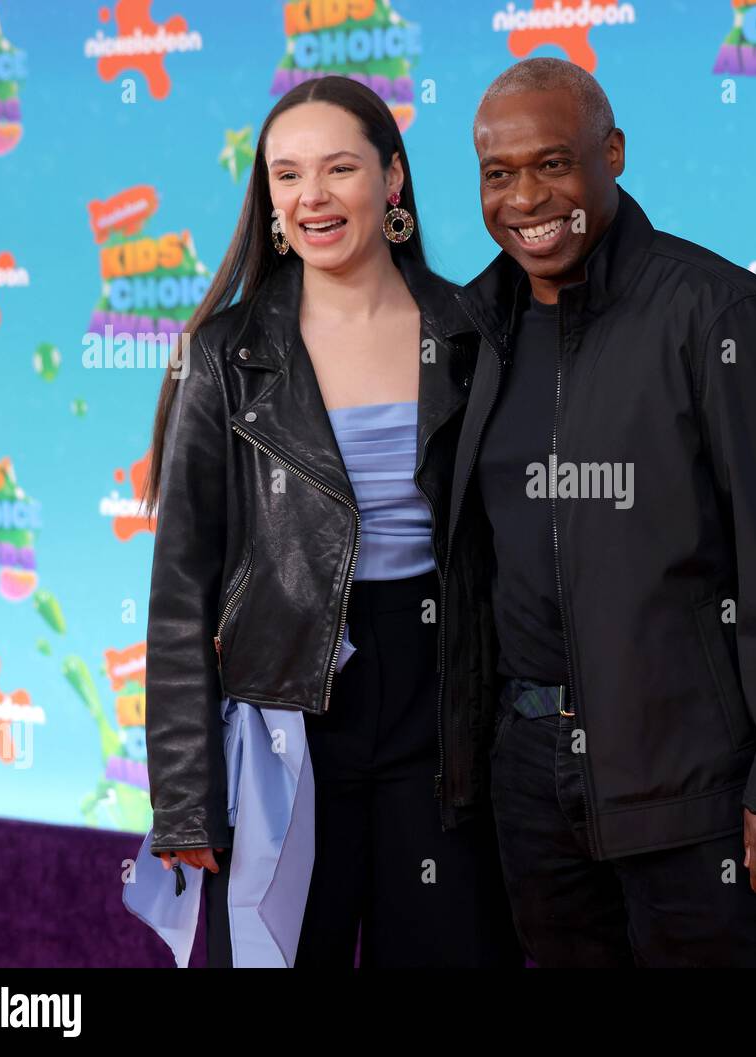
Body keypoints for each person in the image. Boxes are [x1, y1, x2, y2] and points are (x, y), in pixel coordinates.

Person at [440, 57, 756, 968]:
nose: (526, 196)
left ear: (613, 154)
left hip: (691, 785)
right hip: (528, 777)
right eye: (499, 172)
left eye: (554, 164)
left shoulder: (721, 314)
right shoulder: (476, 325)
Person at [123, 75, 520, 968]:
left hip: (445, 705)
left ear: (393, 181)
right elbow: (180, 588)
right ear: (267, 198)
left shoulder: (475, 329)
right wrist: (185, 800)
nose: (312, 197)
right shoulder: (226, 354)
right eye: (287, 175)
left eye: (339, 168)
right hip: (286, 720)